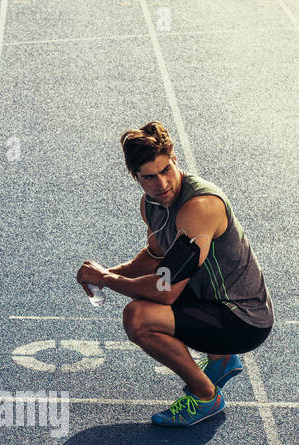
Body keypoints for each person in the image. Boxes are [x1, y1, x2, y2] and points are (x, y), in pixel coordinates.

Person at [76, 121, 275, 426]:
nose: (163, 184)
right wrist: (104, 272)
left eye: (166, 170)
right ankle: (221, 360)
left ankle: (207, 397)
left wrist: (107, 280)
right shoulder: (152, 204)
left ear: (175, 160)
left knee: (138, 318)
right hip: (208, 299)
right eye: (150, 177)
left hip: (243, 317)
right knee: (155, 296)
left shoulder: (199, 207)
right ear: (135, 177)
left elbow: (165, 289)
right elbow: (155, 257)